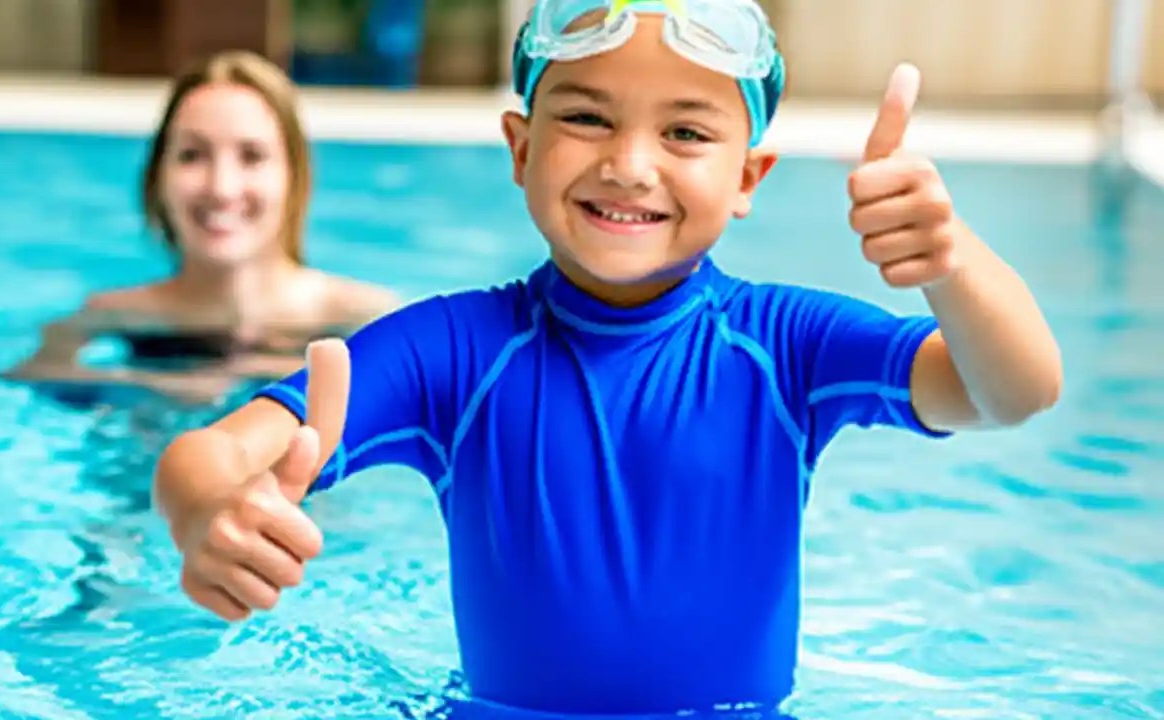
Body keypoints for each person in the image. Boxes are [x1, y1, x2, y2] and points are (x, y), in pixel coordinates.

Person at [151, 1, 1063, 715]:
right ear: (521, 148)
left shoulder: (787, 348)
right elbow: (214, 452)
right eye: (586, 117)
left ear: (749, 177)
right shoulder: (452, 354)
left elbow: (1009, 390)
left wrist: (952, 263)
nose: (630, 165)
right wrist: (204, 513)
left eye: (687, 133)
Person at [4, 50, 399, 404]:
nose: (221, 188)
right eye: (192, 155)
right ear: (157, 177)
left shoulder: (363, 320)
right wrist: (149, 385)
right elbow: (21, 386)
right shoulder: (111, 317)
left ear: (294, 177)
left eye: (252, 156)